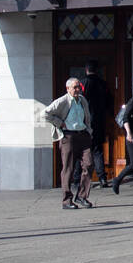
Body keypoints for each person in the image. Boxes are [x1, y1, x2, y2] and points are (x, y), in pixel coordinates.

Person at [42, 78, 95, 209]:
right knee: (68, 168)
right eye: (75, 87)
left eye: (78, 87)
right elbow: (45, 113)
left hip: (83, 135)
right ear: (68, 89)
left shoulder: (82, 100)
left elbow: (87, 116)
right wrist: (60, 123)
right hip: (68, 136)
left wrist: (89, 130)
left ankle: (82, 196)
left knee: (89, 164)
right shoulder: (62, 101)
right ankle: (67, 200)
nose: (77, 90)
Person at [80, 61, 114, 189]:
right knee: (98, 150)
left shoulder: (83, 83)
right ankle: (102, 178)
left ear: (86, 69)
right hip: (100, 121)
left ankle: (78, 179)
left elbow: (80, 101)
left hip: (86, 122)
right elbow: (110, 101)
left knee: (82, 151)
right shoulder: (103, 84)